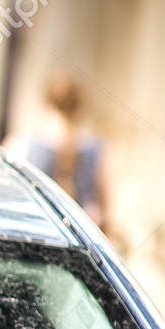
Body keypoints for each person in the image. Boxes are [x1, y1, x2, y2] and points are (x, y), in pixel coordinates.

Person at [11, 73, 113, 237]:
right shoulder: (96, 151)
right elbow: (107, 216)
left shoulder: (21, 144)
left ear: (46, 104)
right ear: (81, 109)